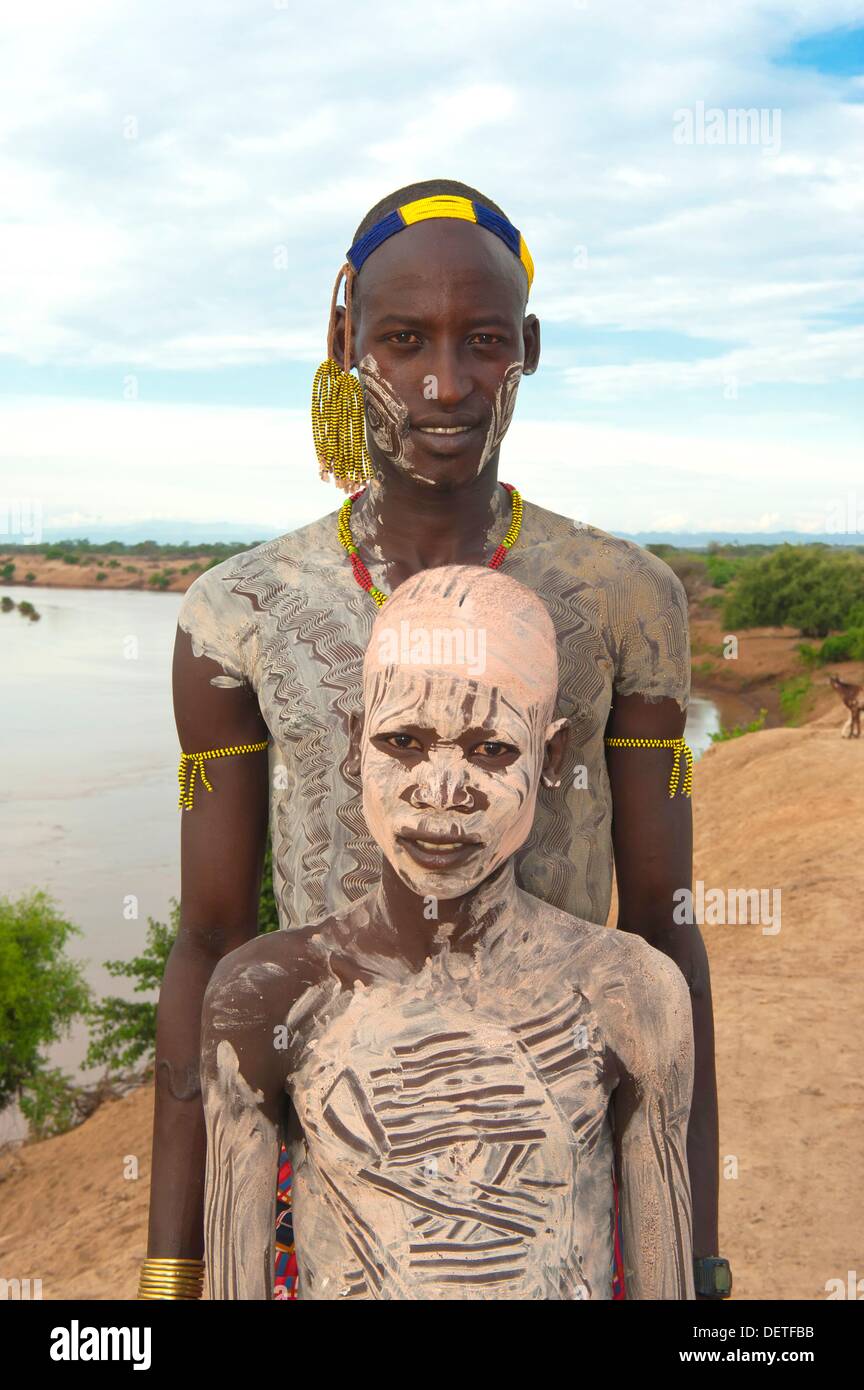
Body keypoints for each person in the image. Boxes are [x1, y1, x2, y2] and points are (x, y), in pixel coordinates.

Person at [141, 178, 729, 1302]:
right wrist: (172, 1273)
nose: (444, 384)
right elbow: (209, 938)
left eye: (486, 343)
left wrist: (695, 1267)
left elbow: (667, 935)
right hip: (326, 1187)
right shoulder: (243, 614)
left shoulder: (621, 599)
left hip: (561, 1187)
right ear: (342, 339)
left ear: (532, 350)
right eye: (403, 340)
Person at [201, 566, 695, 1300]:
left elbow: (668, 1275)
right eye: (403, 741)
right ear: (355, 744)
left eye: (491, 750)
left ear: (550, 758)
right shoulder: (269, 995)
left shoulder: (628, 990)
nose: (441, 791)